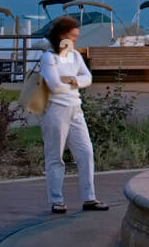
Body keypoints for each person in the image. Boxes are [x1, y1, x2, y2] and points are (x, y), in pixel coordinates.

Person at [39, 16, 108, 215]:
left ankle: (89, 198)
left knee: (86, 153)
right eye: (73, 36)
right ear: (62, 36)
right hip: (55, 111)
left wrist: (71, 80)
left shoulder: (76, 57)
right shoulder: (49, 58)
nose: (76, 39)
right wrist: (74, 81)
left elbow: (88, 78)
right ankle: (57, 200)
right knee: (55, 157)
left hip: (76, 110)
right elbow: (54, 85)